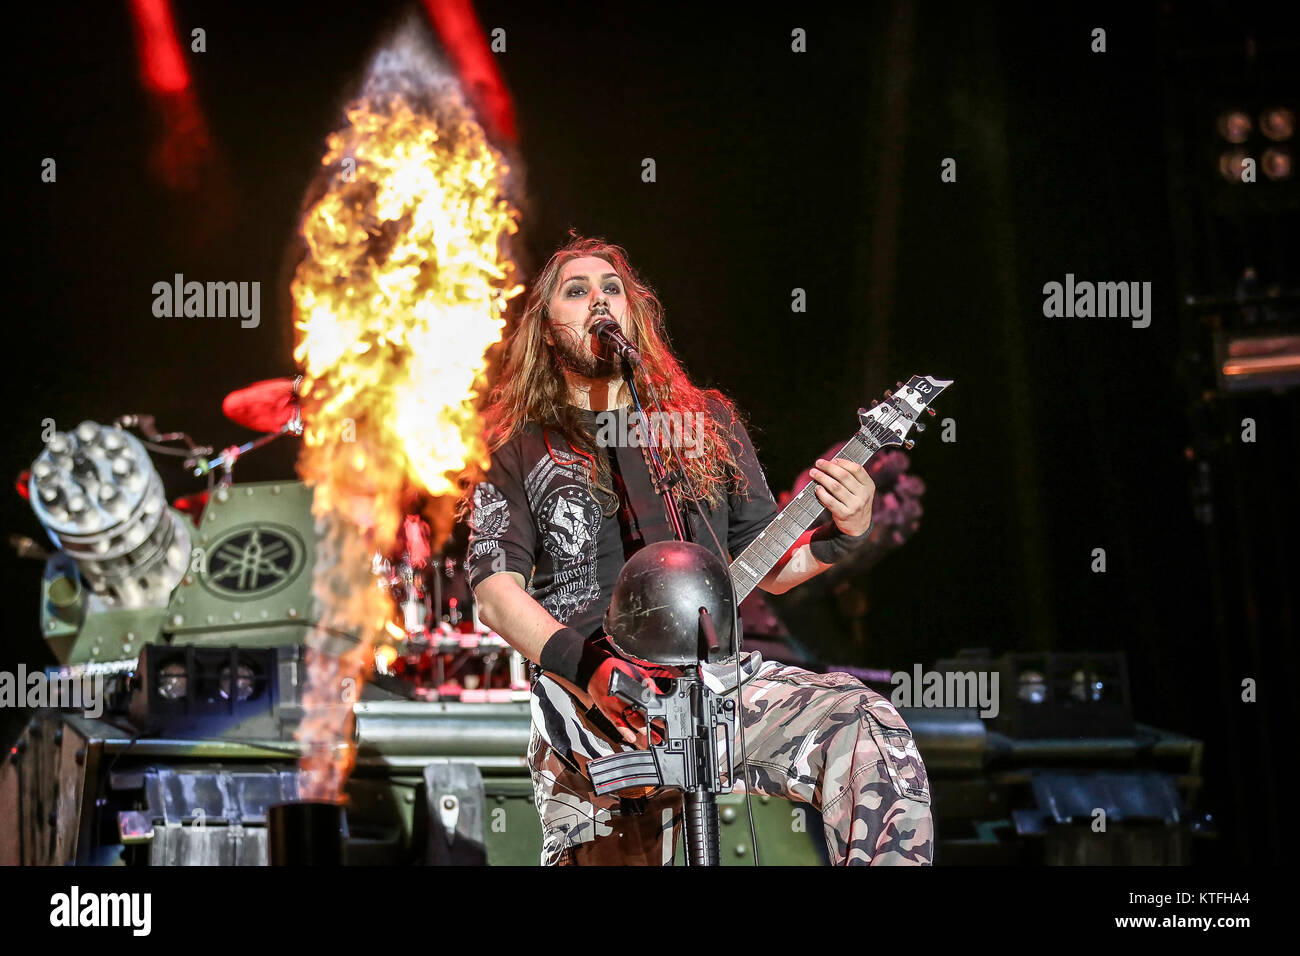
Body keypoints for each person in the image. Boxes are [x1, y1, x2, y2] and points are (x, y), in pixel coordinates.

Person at [463, 236, 932, 865]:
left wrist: (844, 533)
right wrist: (590, 671)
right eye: (576, 291)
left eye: (612, 288)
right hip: (594, 703)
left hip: (719, 684)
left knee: (864, 723)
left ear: (637, 316)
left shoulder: (706, 425)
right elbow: (495, 595)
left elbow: (772, 568)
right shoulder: (519, 447)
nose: (598, 299)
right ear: (547, 332)